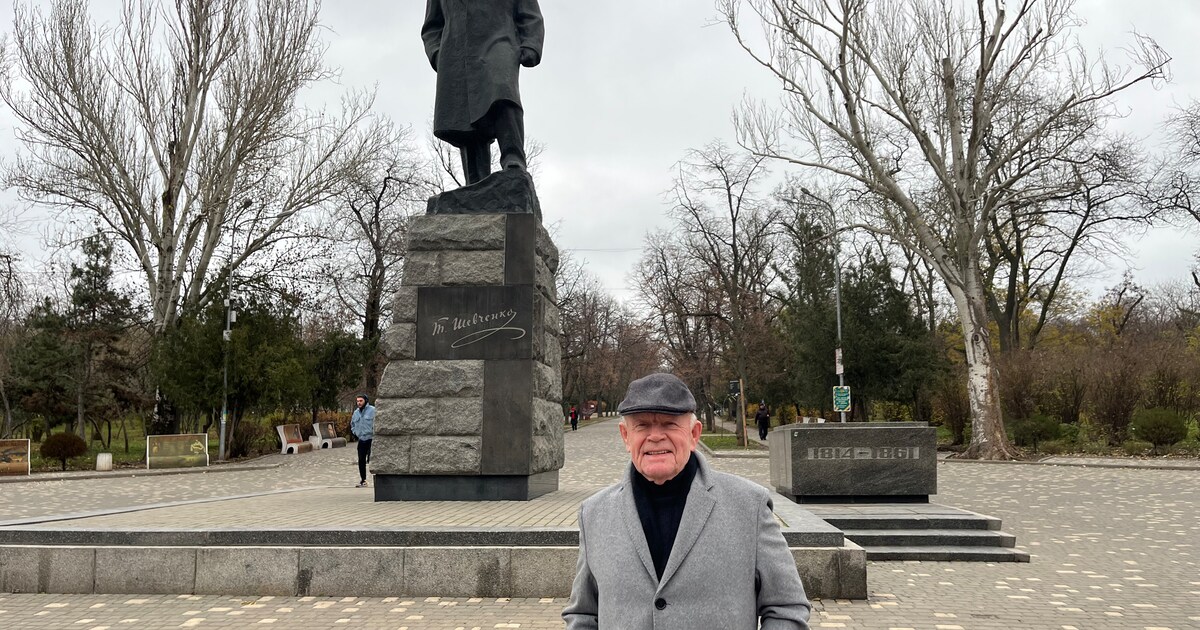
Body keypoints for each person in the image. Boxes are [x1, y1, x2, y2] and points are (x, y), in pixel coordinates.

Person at [563, 373, 811, 629]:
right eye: (642, 425)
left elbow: (787, 608)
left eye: (670, 424)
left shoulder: (749, 505)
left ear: (694, 434)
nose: (655, 436)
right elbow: (583, 615)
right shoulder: (595, 513)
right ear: (626, 436)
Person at [422, 0, 544, 185]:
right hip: (456, 52)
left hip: (499, 40)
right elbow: (432, 27)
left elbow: (530, 13)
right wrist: (437, 53)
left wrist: (531, 43)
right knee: (465, 116)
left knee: (503, 90)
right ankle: (476, 181)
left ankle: (513, 159)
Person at [350, 394, 375, 488]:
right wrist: (355, 432)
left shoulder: (373, 410)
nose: (359, 403)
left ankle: (378, 479)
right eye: (357, 401)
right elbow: (352, 424)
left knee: (371, 459)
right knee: (361, 460)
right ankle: (363, 480)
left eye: (361, 401)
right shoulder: (356, 412)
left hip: (371, 439)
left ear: (365, 401)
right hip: (361, 439)